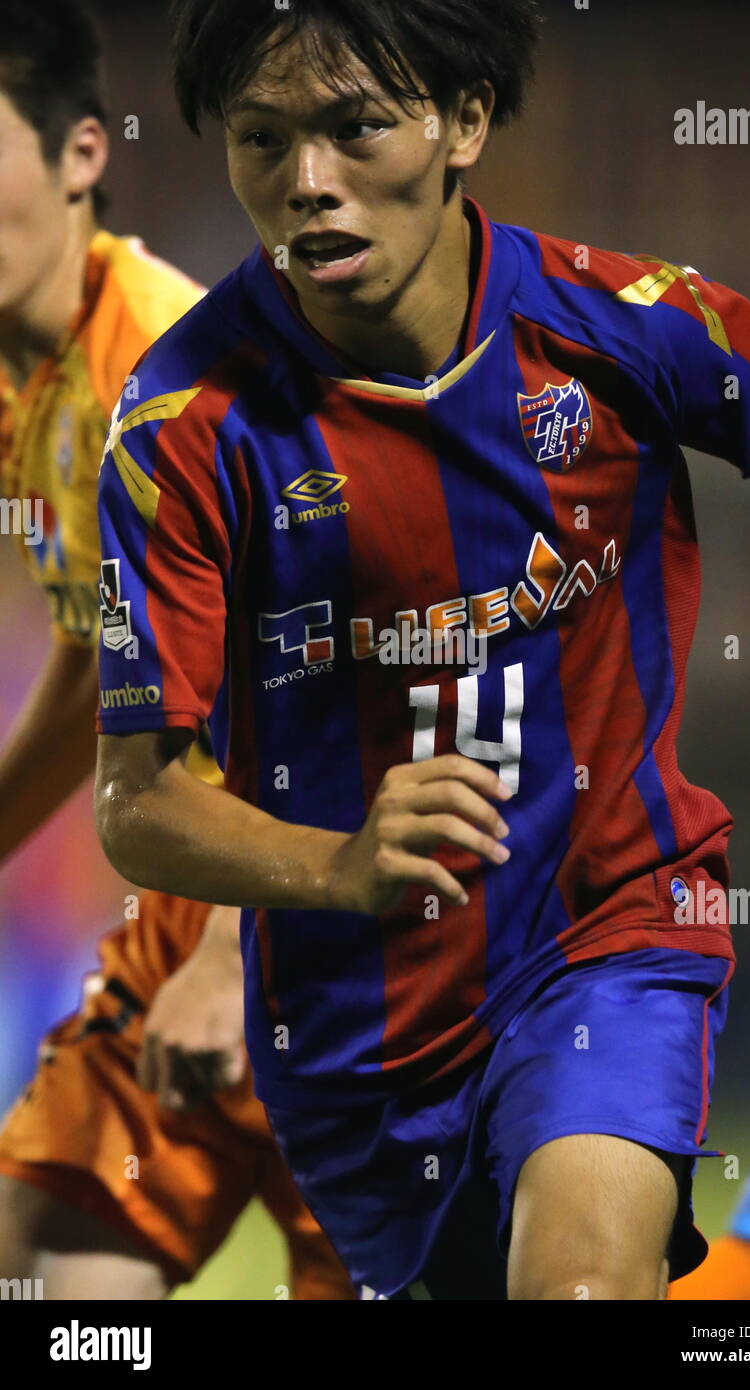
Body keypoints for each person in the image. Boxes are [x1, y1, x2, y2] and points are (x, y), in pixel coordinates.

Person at [92, 0, 750, 1300]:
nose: (307, 184)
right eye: (262, 138)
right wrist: (338, 864)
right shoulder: (182, 427)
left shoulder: (635, 327)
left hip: (606, 926)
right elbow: (138, 797)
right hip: (356, 1026)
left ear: (463, 121)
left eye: (354, 128)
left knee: (572, 1282)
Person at [0, 0, 351, 1300]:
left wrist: (230, 955)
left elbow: (312, 664)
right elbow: (101, 665)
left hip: (311, 905)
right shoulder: (28, 386)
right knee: (51, 1286)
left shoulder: (167, 367)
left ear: (81, 155)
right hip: (190, 909)